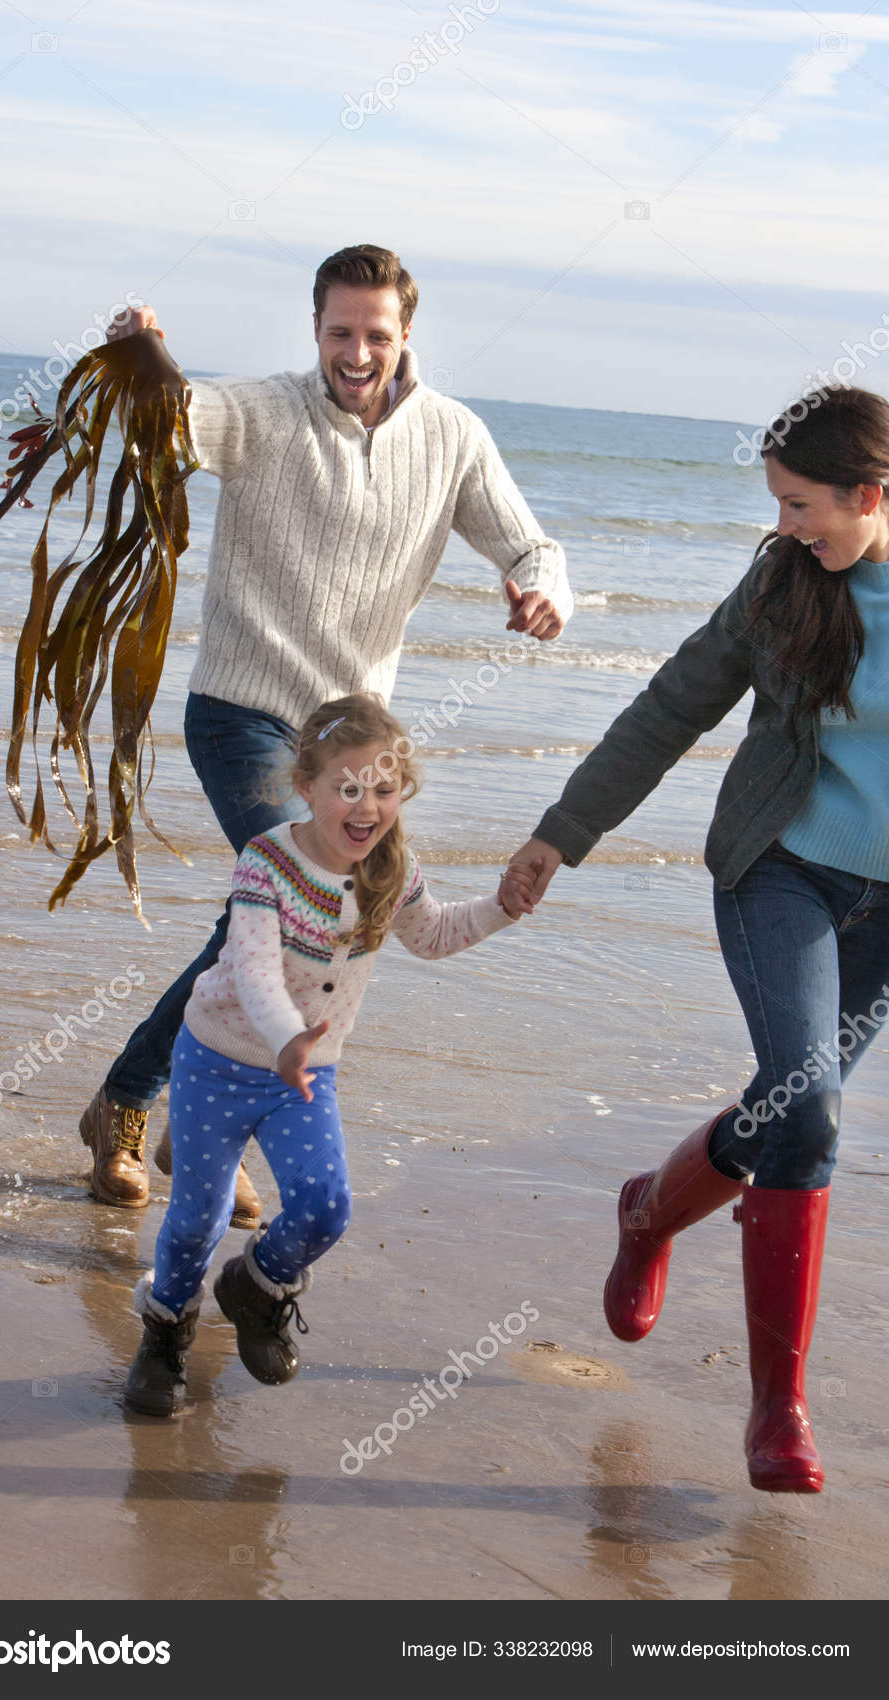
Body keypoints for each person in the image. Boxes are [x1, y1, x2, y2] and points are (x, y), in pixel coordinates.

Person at [80, 243, 572, 1219]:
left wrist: (542, 586)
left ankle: (159, 1109)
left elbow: (529, 540)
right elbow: (173, 421)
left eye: (375, 334)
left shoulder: (451, 438)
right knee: (294, 895)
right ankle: (156, 1109)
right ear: (314, 329)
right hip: (240, 713)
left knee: (273, 917)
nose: (356, 352)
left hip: (352, 744)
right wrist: (142, 361)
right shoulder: (263, 412)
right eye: (339, 331)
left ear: (403, 336)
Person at [505, 385, 889, 1495]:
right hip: (781, 872)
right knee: (806, 1106)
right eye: (775, 502)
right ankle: (779, 1410)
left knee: (784, 1106)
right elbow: (674, 704)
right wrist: (559, 833)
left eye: (802, 504)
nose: (783, 526)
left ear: (870, 494)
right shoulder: (780, 586)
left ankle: (647, 1210)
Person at [123, 693, 534, 1416]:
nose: (365, 806)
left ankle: (257, 1288)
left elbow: (434, 934)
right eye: (347, 787)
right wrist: (284, 1038)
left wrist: (501, 906)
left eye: (382, 789)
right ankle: (165, 1332)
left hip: (303, 1080)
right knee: (197, 1219)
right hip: (218, 1058)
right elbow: (250, 967)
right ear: (306, 786)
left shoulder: (392, 872)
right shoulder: (266, 862)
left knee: (325, 1207)